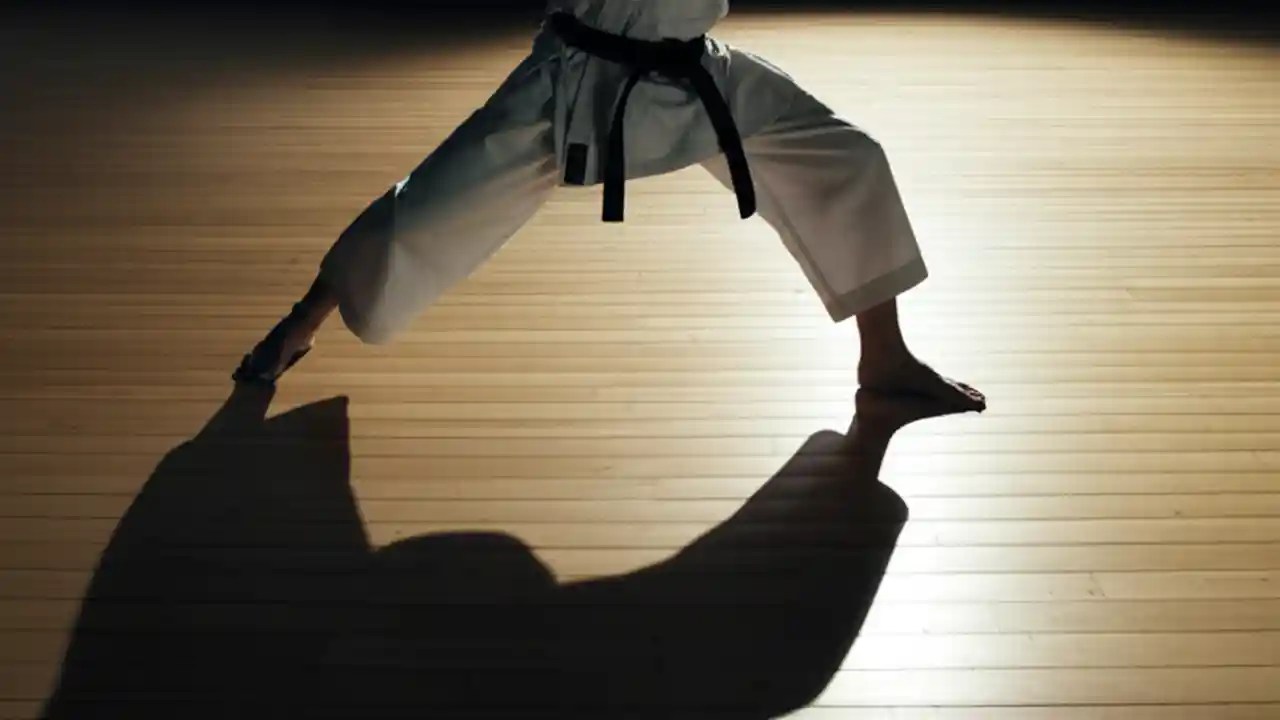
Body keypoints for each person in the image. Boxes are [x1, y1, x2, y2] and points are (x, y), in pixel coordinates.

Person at [233, 0, 985, 414]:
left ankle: (882, 356)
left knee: (848, 157)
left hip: (692, 73)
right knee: (427, 209)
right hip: (572, 82)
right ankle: (303, 319)